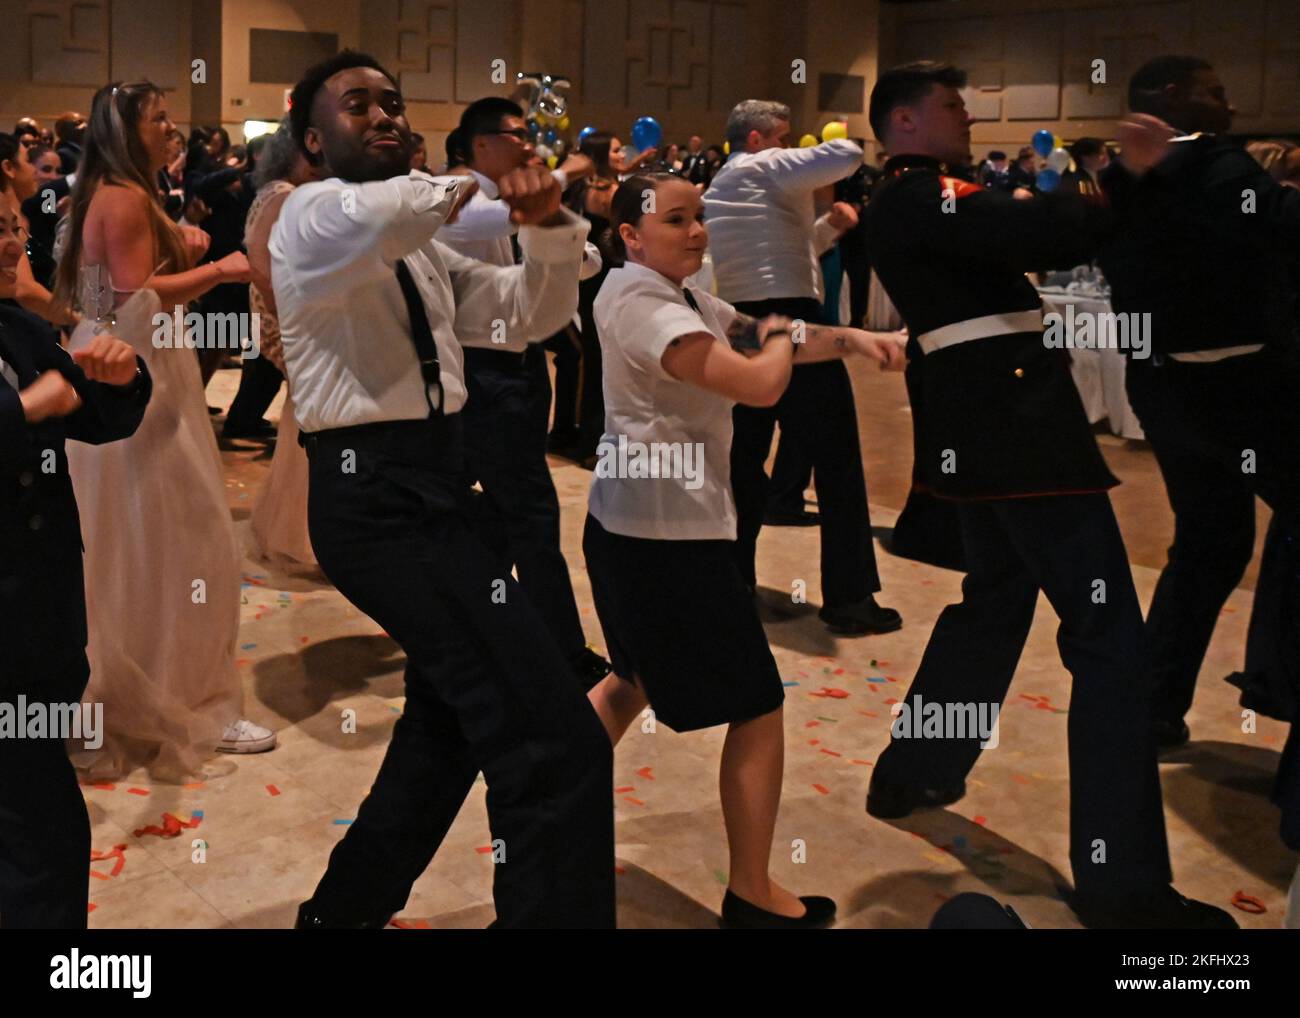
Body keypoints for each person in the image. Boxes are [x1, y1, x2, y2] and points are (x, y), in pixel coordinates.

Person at [862, 60, 1234, 929]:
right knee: (1110, 641)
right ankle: (1123, 886)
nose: (965, 117)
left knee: (994, 601)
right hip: (1015, 425)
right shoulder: (919, 194)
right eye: (950, 106)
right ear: (904, 123)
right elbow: (1049, 233)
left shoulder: (918, 194)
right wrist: (1119, 174)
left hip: (986, 424)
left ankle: (913, 768)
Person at [272, 51, 614, 928]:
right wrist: (485, 179)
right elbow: (395, 206)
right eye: (359, 106)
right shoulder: (309, 214)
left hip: (439, 487)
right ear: (314, 137)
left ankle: (340, 914)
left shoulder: (417, 246)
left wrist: (544, 228)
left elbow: (525, 316)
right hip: (376, 500)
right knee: (554, 739)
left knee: (450, 724)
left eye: (393, 102)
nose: (385, 115)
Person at [584, 171, 906, 928]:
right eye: (676, 219)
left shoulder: (681, 297)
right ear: (631, 234)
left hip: (646, 528)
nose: (696, 232)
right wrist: (775, 342)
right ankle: (754, 892)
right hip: (663, 540)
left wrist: (853, 338)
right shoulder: (640, 303)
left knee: (631, 680)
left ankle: (546, 816)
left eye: (699, 217)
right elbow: (758, 382)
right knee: (757, 704)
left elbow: (773, 335)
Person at [52, 80, 274, 778]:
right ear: (127, 131)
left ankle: (143, 679)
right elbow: (139, 296)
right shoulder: (121, 197)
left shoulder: (101, 195)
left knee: (126, 538)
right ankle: (187, 695)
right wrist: (220, 268)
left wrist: (175, 247)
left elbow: (97, 300)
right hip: (141, 376)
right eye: (157, 118)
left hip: (109, 360)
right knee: (185, 533)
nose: (170, 127)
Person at [1095, 57, 1300, 754]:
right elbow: (1278, 229)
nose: (1232, 103)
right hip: (1245, 393)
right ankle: (1278, 683)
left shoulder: (1120, 180)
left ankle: (1151, 707)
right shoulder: (1218, 166)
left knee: (1209, 547)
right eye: (1216, 91)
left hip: (1165, 391)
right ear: (1174, 98)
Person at [1, 202, 152, 927]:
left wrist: (120, 376)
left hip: (38, 625)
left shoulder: (22, 327)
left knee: (39, 819)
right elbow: (36, 406)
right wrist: (19, 411)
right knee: (40, 831)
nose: (10, 243)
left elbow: (92, 413)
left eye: (10, 225)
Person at [703, 99, 902, 636]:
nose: (790, 146)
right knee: (837, 461)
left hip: (745, 325)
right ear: (754, 139)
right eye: (782, 136)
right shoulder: (759, 164)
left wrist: (826, 231)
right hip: (794, 324)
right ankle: (850, 597)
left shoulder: (725, 185)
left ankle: (731, 585)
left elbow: (780, 253)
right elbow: (848, 153)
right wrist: (825, 140)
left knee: (742, 461)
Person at [436, 97, 610, 688]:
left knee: (507, 510)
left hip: (519, 360)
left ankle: (477, 619)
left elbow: (584, 258)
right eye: (516, 136)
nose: (529, 145)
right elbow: (500, 222)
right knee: (529, 511)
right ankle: (559, 648)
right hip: (482, 368)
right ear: (480, 144)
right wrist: (560, 187)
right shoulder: (456, 188)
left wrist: (549, 221)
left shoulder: (509, 200)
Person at [246, 123, 322, 571]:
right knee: (305, 418)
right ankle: (301, 534)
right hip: (286, 319)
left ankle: (293, 527)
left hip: (283, 316)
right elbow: (261, 265)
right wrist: (291, 317)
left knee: (301, 417)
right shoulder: (285, 195)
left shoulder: (276, 190)